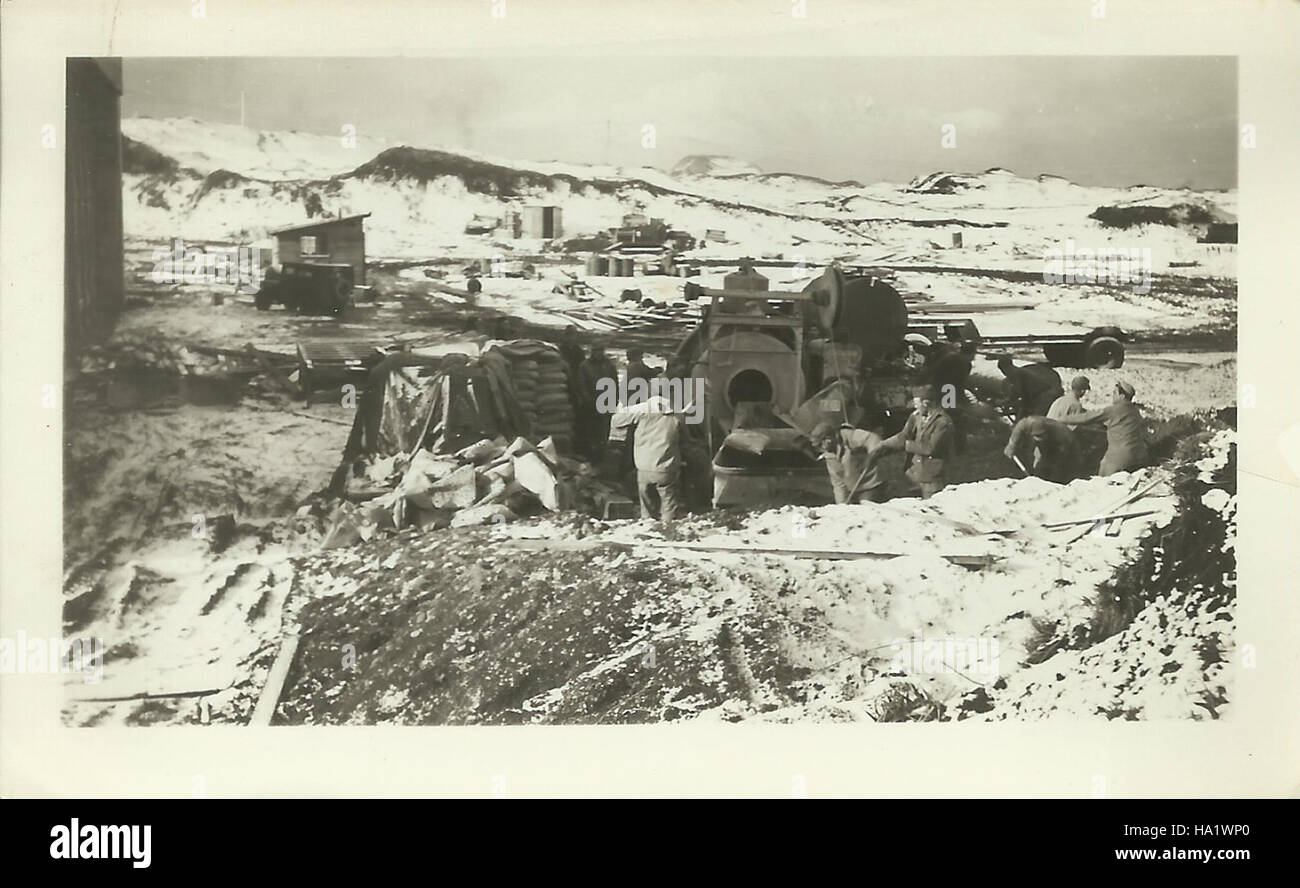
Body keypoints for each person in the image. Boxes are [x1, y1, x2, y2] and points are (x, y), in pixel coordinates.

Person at [1056, 380, 1149, 475]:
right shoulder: (1135, 411)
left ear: (1122, 396)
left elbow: (1085, 418)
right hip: (1139, 456)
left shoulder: (1113, 410)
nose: (1112, 396)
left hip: (1120, 458)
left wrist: (1061, 419)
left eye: (1114, 393)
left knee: (1103, 474)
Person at [880, 385, 955, 499]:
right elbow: (903, 435)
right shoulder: (916, 416)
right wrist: (883, 444)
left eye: (916, 403)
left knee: (931, 508)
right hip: (912, 474)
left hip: (931, 477)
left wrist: (906, 445)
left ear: (926, 403)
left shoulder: (943, 422)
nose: (914, 406)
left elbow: (930, 448)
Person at [629, 395, 683, 524]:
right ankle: (668, 527)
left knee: (647, 503)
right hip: (666, 468)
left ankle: (647, 525)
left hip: (643, 467)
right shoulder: (677, 417)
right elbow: (686, 440)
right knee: (668, 502)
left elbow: (617, 419)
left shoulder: (642, 415)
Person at [810, 419, 889, 504]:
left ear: (828, 439)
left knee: (867, 511)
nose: (820, 449)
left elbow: (873, 439)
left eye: (819, 445)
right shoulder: (829, 455)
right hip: (853, 490)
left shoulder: (850, 436)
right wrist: (842, 505)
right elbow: (838, 483)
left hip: (870, 485)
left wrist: (872, 455)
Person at [1004, 415, 1079, 483]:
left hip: (1065, 446)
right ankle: (1038, 476)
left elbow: (1063, 454)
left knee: (1059, 468)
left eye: (1042, 435)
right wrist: (1011, 445)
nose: (1040, 438)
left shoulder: (1060, 433)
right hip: (1049, 441)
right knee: (1040, 463)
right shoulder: (1026, 423)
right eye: (1037, 436)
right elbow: (1018, 429)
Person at [576, 345, 617, 460]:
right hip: (591, 403)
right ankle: (592, 454)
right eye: (596, 351)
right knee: (592, 430)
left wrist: (615, 399)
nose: (599, 353)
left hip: (606, 401)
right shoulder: (585, 366)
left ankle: (601, 453)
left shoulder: (608, 365)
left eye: (601, 351)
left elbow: (614, 382)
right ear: (592, 352)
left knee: (604, 430)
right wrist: (587, 400)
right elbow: (581, 384)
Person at [997, 356, 1064, 420]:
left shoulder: (1016, 373)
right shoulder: (1019, 372)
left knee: (1036, 420)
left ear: (1005, 368)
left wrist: (1007, 401)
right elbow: (1024, 395)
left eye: (1003, 371)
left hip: (1045, 395)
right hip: (1041, 395)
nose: (1004, 373)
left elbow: (1017, 391)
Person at [925, 340, 977, 407]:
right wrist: (962, 401)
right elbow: (958, 383)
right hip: (948, 391)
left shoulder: (951, 357)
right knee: (952, 412)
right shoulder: (965, 363)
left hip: (939, 387)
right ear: (972, 354)